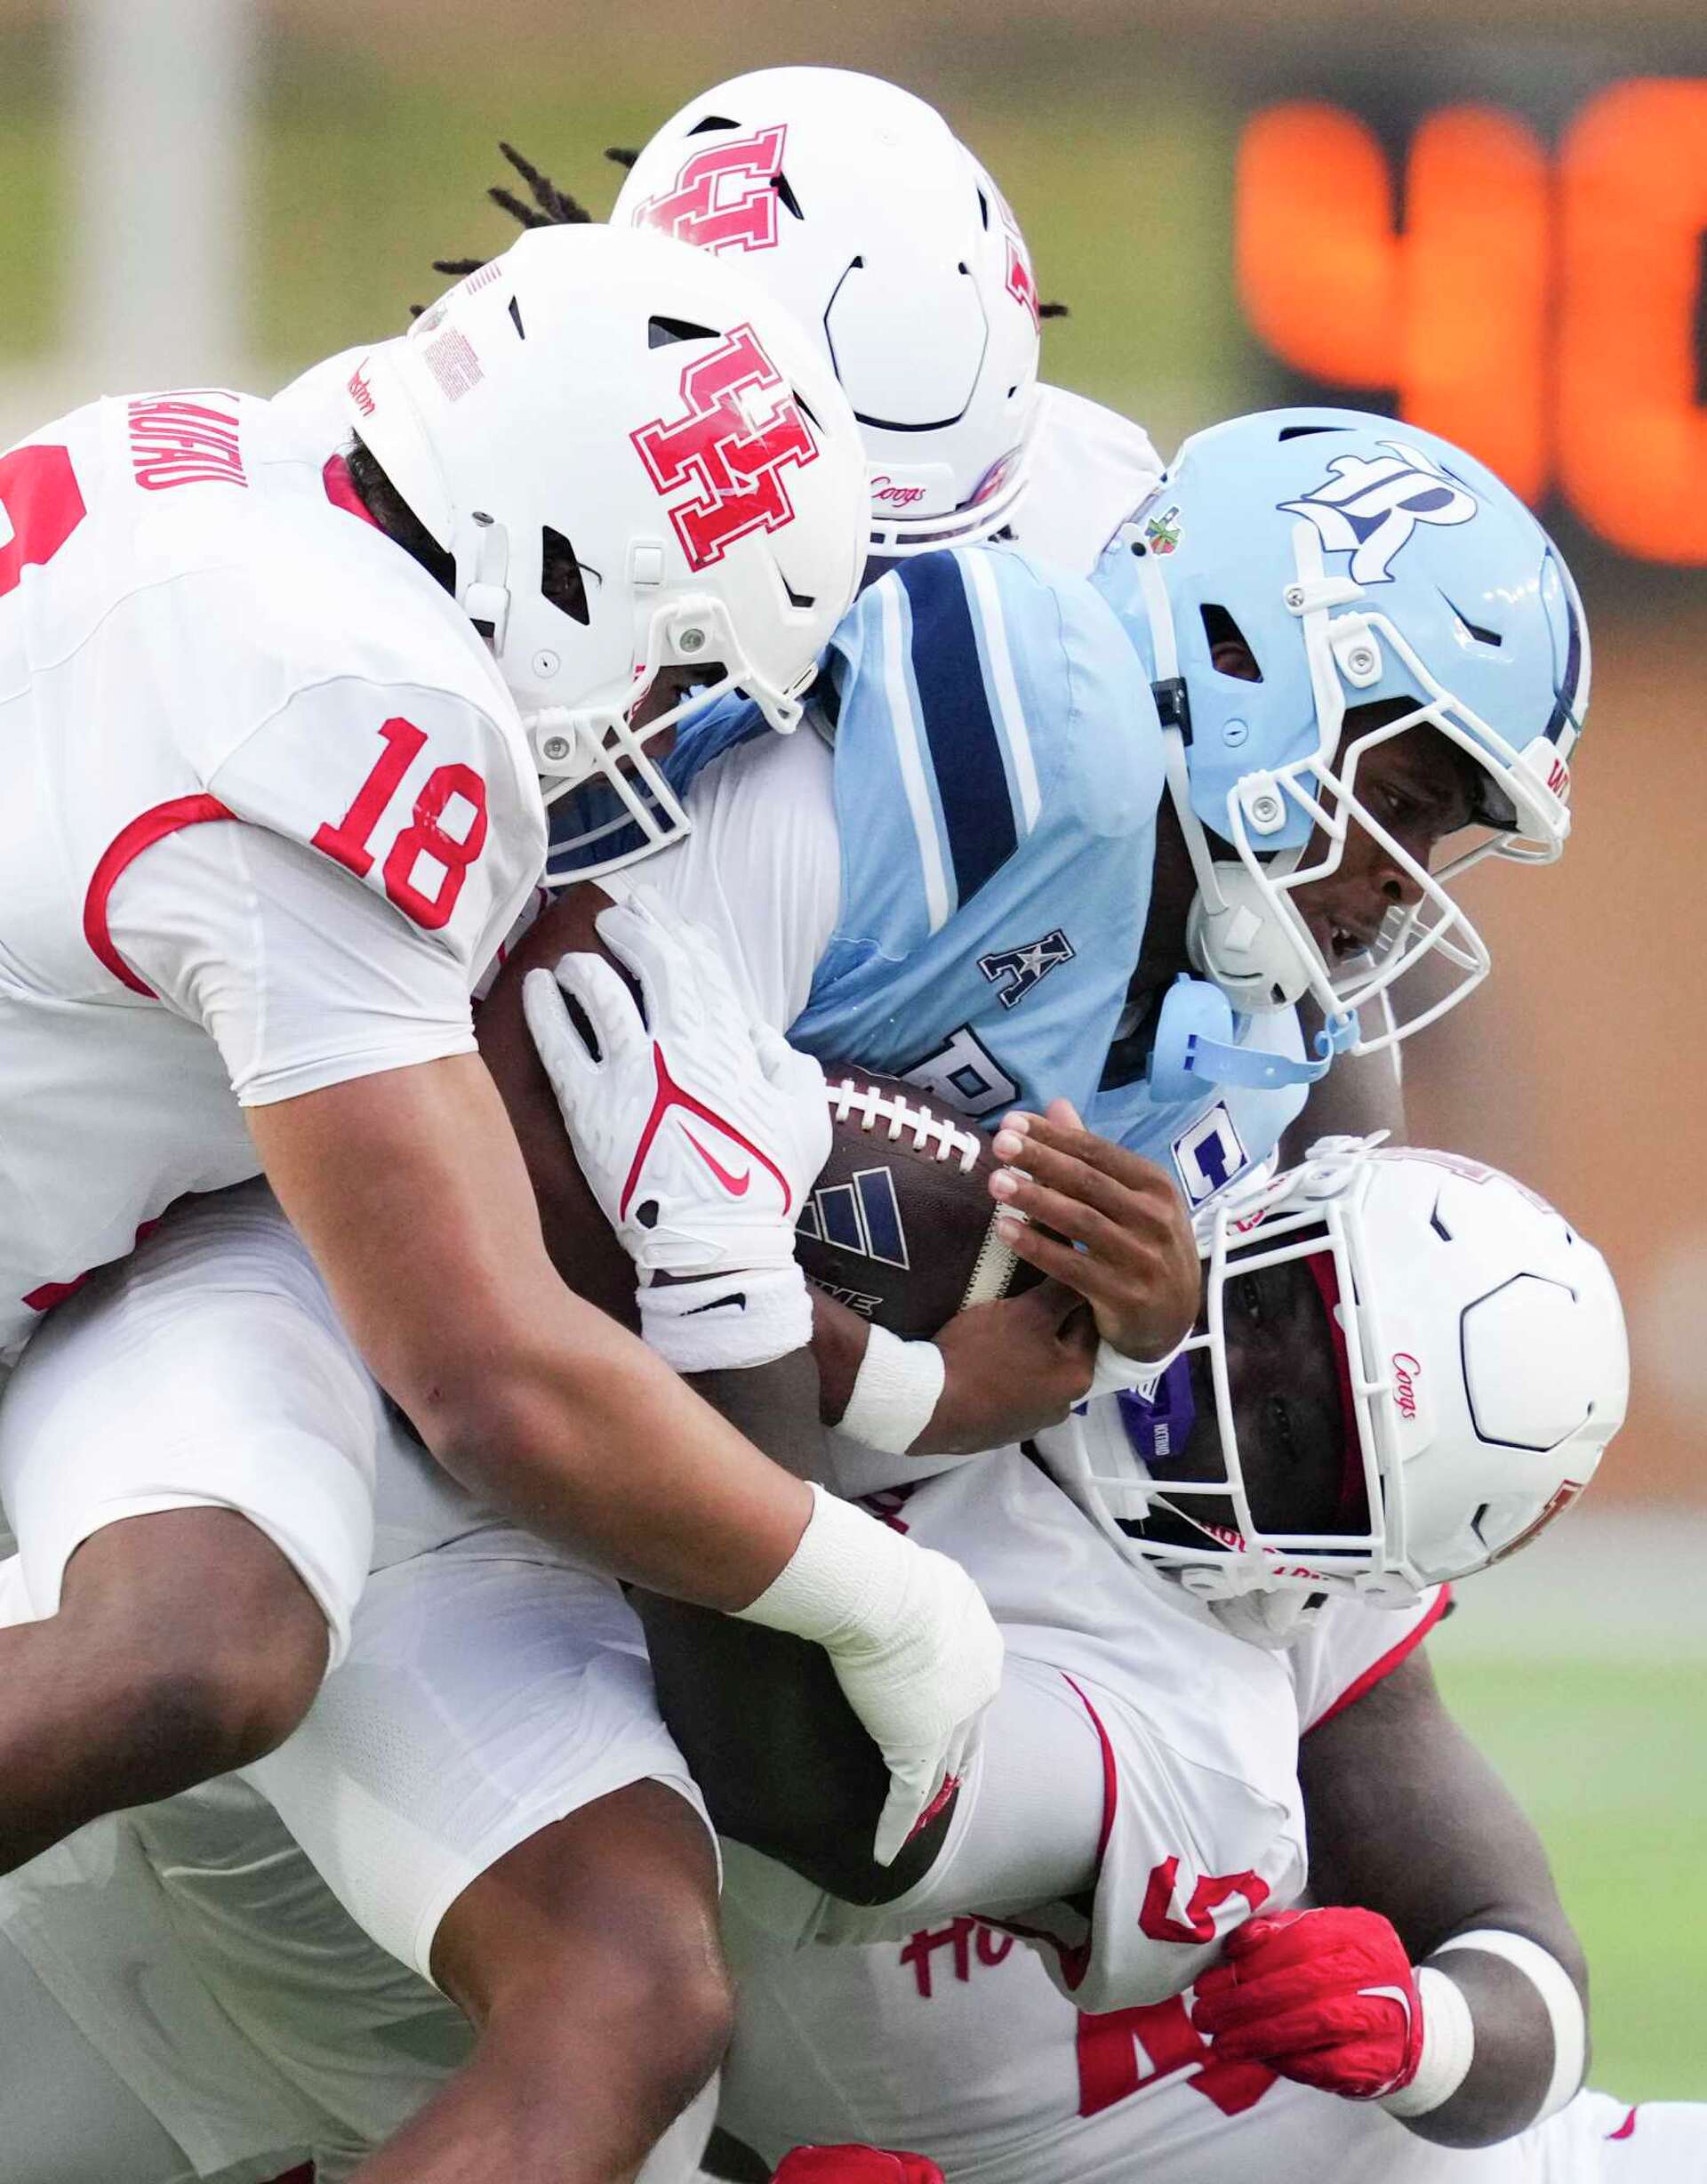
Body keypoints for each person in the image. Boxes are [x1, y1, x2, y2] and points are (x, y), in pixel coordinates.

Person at [0, 224, 1015, 2184]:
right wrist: (876, 1588)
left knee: (258, 1663)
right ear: (570, 570)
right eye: (678, 644)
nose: (658, 713)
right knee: (204, 1648)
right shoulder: (352, 706)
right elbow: (488, 1377)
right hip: (79, 1281)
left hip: (89, 1263)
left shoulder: (220, 460)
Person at [0, 1131, 1633, 2183]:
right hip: (363, 1526)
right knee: (187, 1649)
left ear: (1358, 1561)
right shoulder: (1057, 1176)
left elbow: (806, 1796)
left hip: (420, 1920)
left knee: (620, 2037)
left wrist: (724, 1286)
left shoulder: (1212, 1742)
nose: (1224, 1379)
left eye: (1295, 1434)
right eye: (1273, 1307)